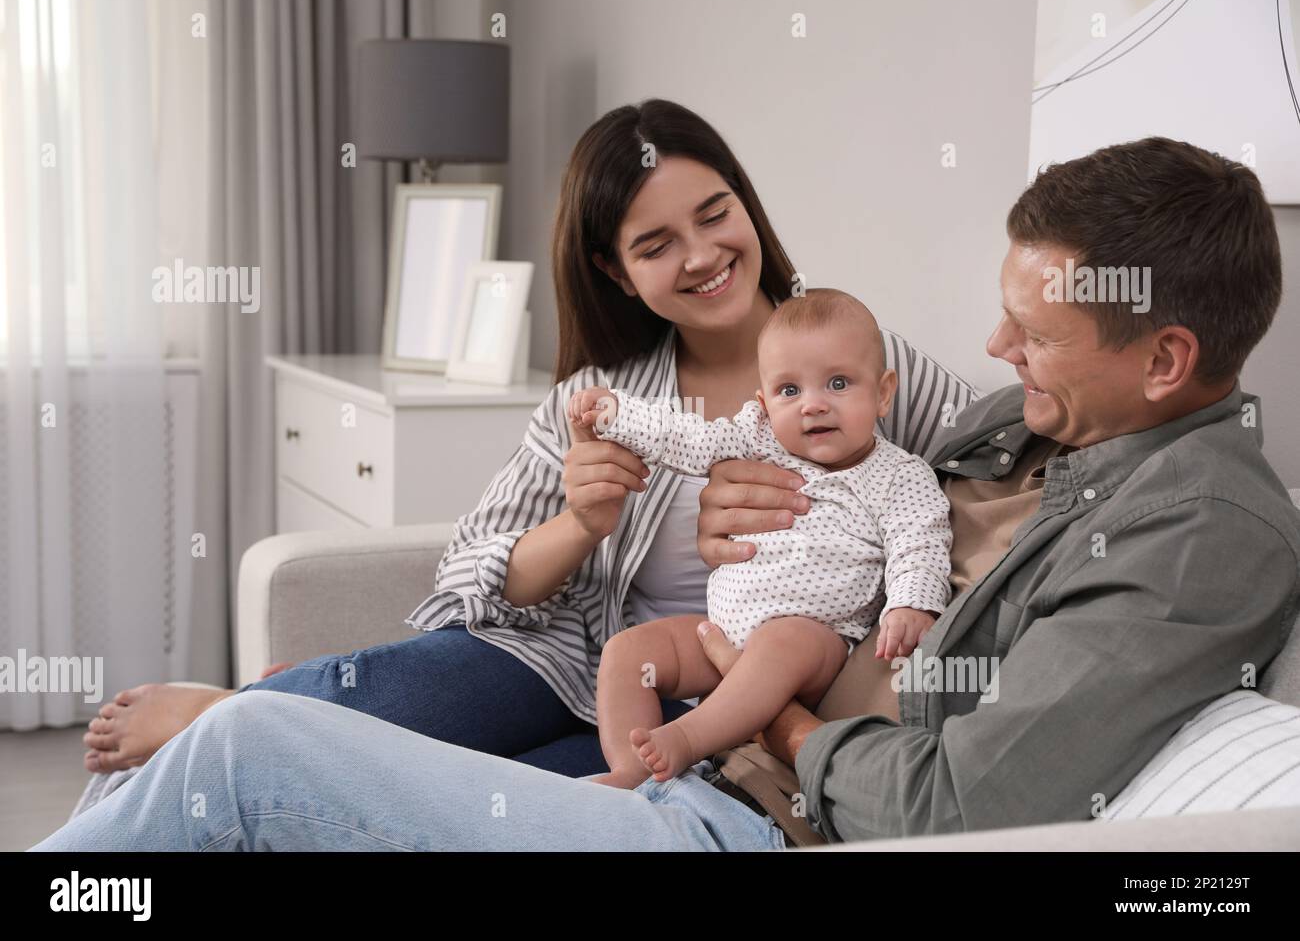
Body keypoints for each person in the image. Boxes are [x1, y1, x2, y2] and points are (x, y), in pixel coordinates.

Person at [41, 133, 1297, 851]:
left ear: (1163, 357)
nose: (994, 344)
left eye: (1031, 330)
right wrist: (653, 523)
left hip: (748, 803)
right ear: (616, 270)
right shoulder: (1012, 421)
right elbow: (822, 480)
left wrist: (772, 712)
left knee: (246, 753)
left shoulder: (1192, 532)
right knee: (231, 759)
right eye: (653, 242)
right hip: (663, 703)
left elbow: (955, 800)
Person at [73, 100, 965, 792]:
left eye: (714, 214)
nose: (702, 256)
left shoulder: (857, 359)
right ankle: (245, 713)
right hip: (570, 660)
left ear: (746, 205)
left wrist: (890, 593)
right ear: (617, 272)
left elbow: (992, 475)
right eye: (657, 244)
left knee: (438, 798)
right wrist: (582, 523)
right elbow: (473, 572)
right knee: (394, 691)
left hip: (711, 703)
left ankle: (269, 718)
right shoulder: (603, 399)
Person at [572, 290, 952, 787]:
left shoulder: (899, 475)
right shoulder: (755, 438)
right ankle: (632, 773)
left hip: (818, 642)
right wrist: (620, 415)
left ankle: (686, 739)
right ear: (764, 404)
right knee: (627, 652)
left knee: (779, 641)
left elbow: (920, 541)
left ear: (883, 393)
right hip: (724, 632)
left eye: (838, 383)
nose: (813, 405)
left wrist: (910, 604)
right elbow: (687, 436)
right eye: (789, 390)